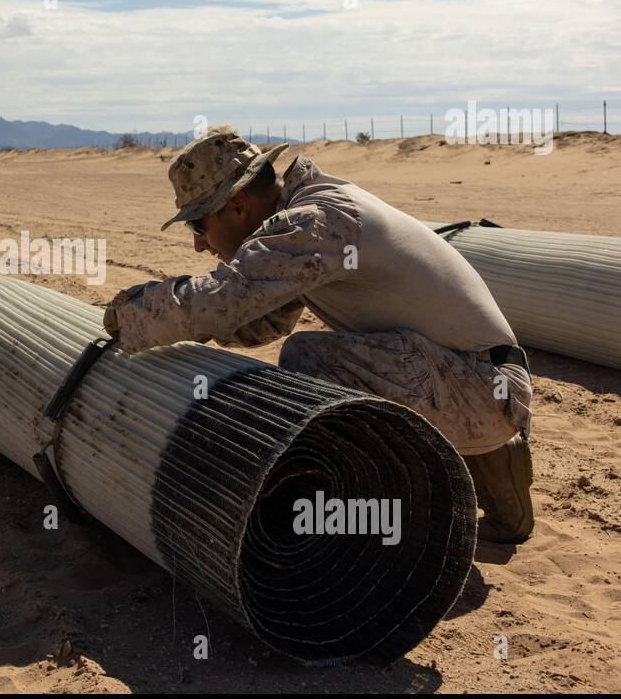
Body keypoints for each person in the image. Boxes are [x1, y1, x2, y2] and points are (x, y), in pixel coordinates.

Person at [103, 125, 535, 543]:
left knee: (309, 360)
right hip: (481, 383)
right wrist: (194, 328)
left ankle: (368, 517)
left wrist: (139, 315)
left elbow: (223, 300)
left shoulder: (318, 221)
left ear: (237, 206)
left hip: (478, 389)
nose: (199, 243)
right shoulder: (308, 219)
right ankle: (494, 464)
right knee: (317, 355)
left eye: (198, 225)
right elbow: (259, 320)